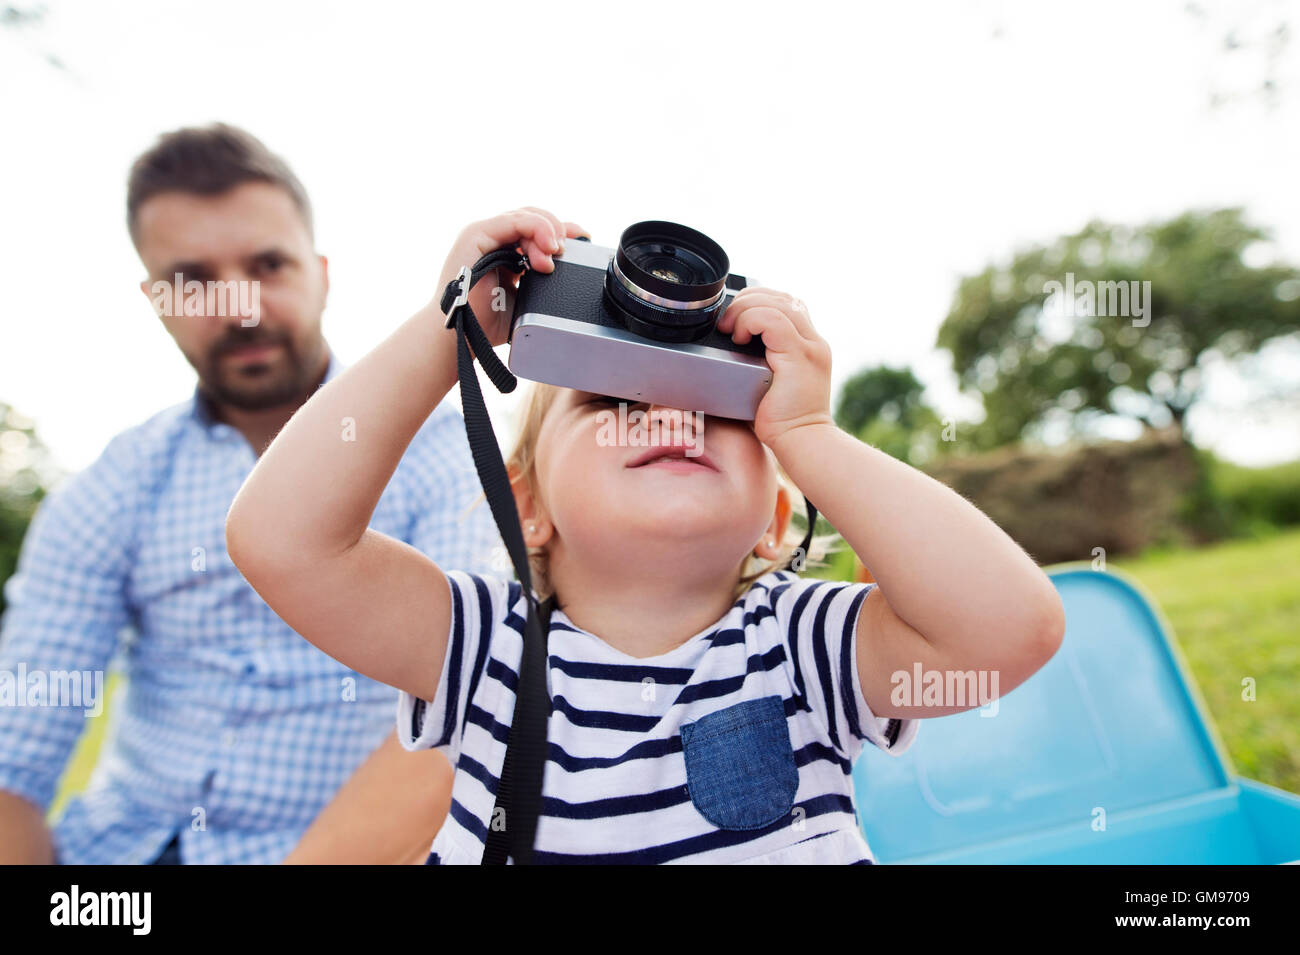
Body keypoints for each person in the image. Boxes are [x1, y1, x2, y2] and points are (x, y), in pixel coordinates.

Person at [226, 208, 1066, 864]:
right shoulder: (484, 649)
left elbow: (1006, 632)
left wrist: (810, 433)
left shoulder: (801, 642)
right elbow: (283, 542)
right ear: (527, 507)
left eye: (716, 407)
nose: (667, 414)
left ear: (777, 516)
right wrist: (453, 321)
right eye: (612, 401)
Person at [0, 124, 500, 864]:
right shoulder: (118, 484)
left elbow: (467, 715)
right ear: (155, 297)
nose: (239, 307)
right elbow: (18, 750)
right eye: (195, 279)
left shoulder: (442, 454)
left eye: (268, 265)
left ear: (322, 273)